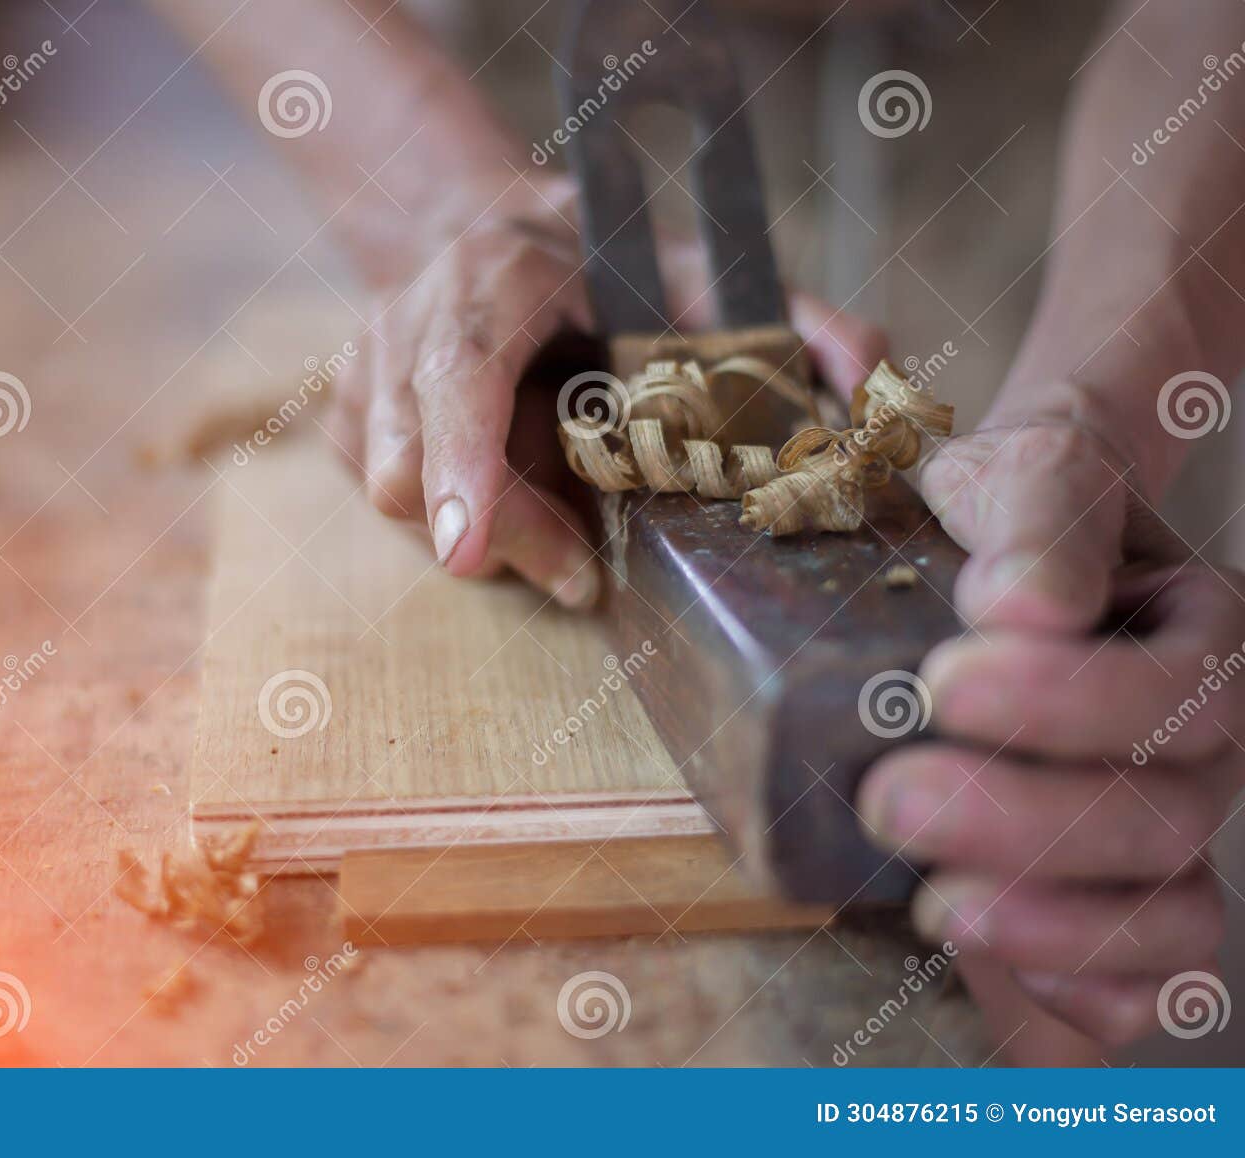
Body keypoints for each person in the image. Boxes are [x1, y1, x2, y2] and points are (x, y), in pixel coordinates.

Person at [153, 0, 1245, 1062]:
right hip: (537, 79)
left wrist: (1094, 404)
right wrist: (456, 196)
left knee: (1047, 863)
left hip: (1086, 128)